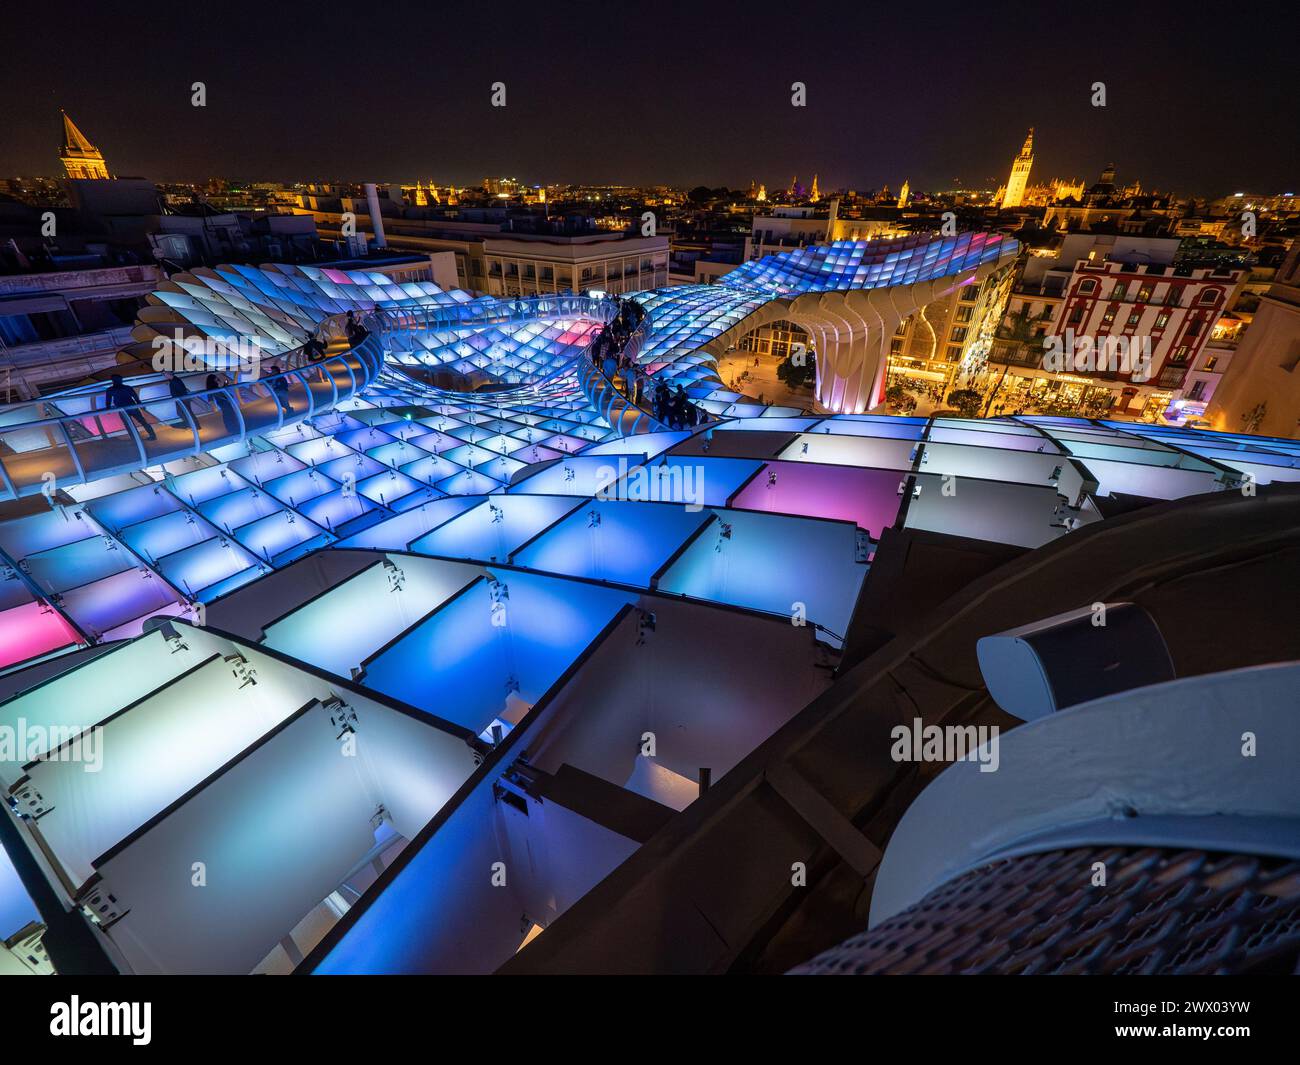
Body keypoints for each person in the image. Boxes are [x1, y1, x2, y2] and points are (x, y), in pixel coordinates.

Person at [104, 374, 157, 441]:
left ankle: (135, 439)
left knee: (129, 425)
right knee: (143, 422)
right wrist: (140, 405)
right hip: (133, 407)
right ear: (121, 380)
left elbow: (108, 400)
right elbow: (136, 397)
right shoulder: (128, 387)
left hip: (122, 409)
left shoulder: (110, 390)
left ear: (113, 381)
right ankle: (152, 435)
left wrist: (108, 409)